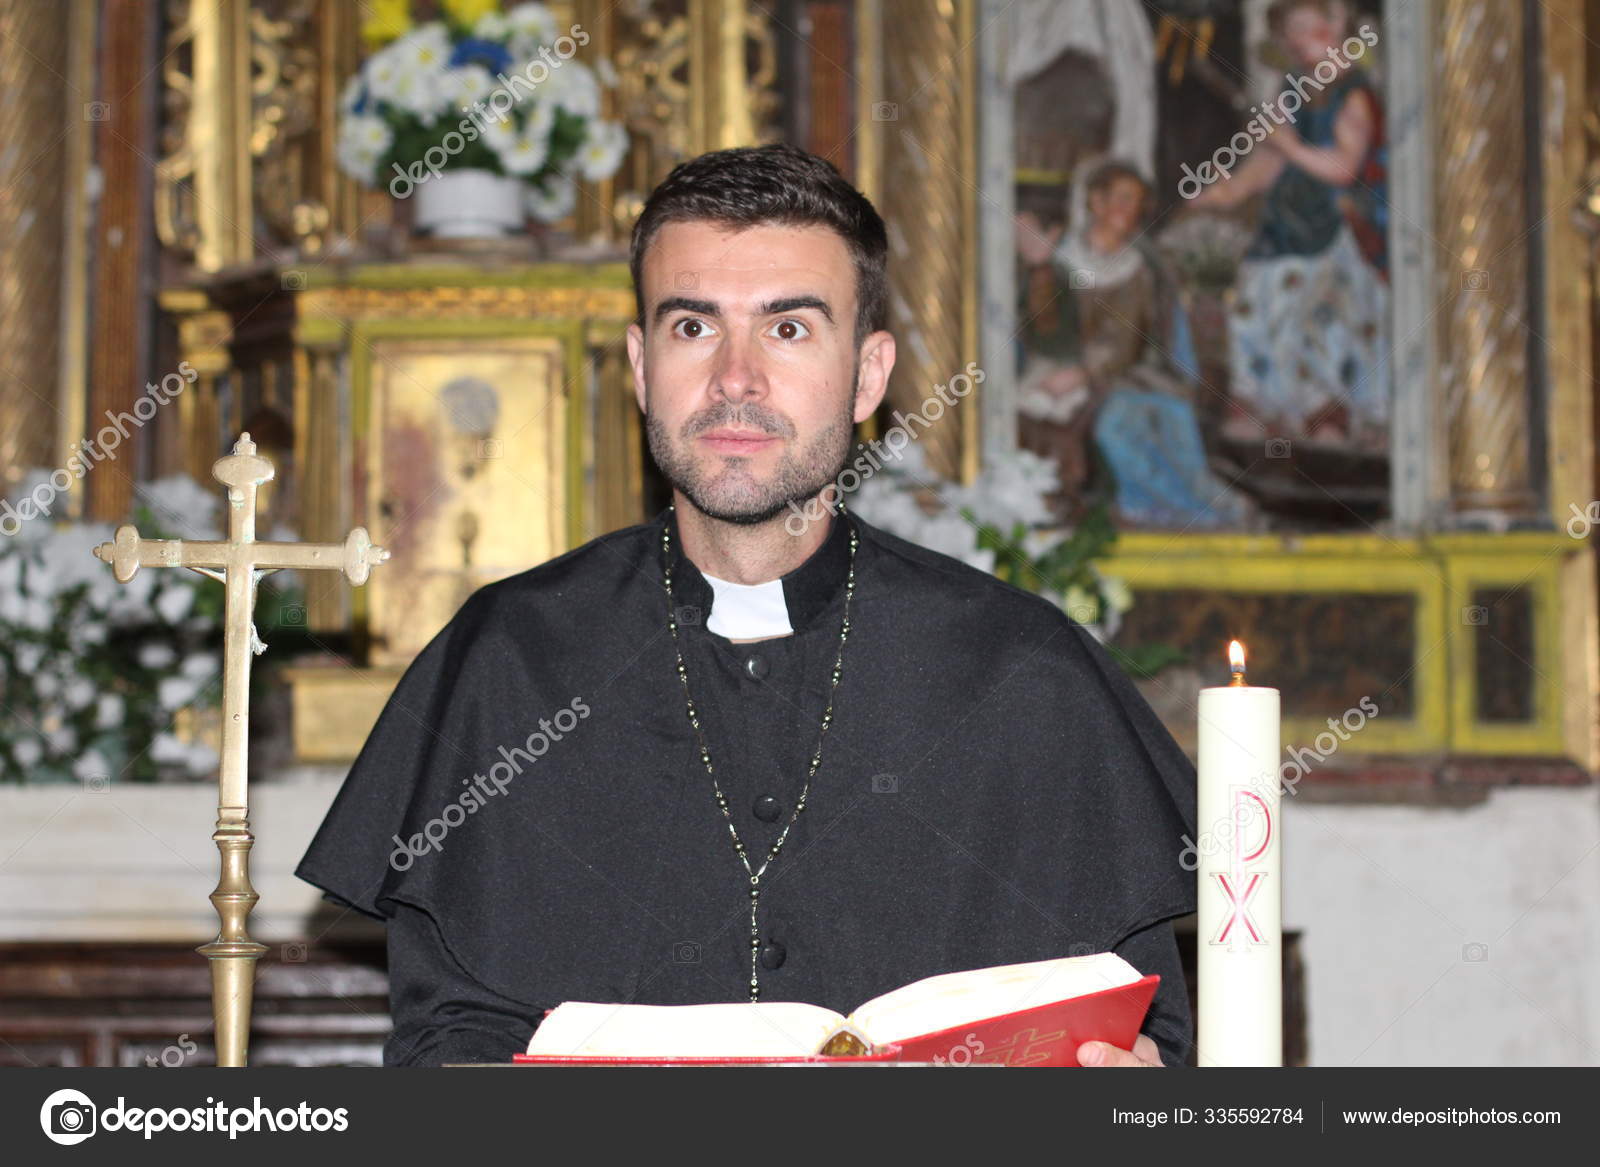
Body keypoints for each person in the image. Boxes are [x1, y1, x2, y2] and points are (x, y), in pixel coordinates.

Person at [296, 143, 1200, 1068]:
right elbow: (446, 1040)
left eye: (789, 329)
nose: (735, 378)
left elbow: (1134, 1031)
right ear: (642, 368)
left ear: (868, 376)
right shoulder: (508, 659)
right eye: (693, 327)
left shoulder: (1023, 671)